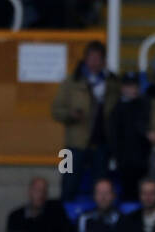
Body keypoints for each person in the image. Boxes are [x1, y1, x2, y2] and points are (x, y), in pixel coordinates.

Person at [50, 41, 117, 201]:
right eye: (91, 58)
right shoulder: (70, 82)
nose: (94, 62)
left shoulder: (112, 83)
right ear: (85, 59)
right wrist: (70, 114)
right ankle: (64, 219)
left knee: (100, 188)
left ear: (104, 61)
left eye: (98, 58)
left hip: (101, 145)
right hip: (73, 145)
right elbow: (56, 111)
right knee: (68, 184)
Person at [108, 72, 151, 198]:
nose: (132, 89)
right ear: (122, 88)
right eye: (128, 86)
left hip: (143, 161)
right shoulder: (117, 109)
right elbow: (113, 136)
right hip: (125, 162)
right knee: (128, 192)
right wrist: (117, 157)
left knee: (143, 192)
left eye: (134, 86)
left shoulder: (145, 105)